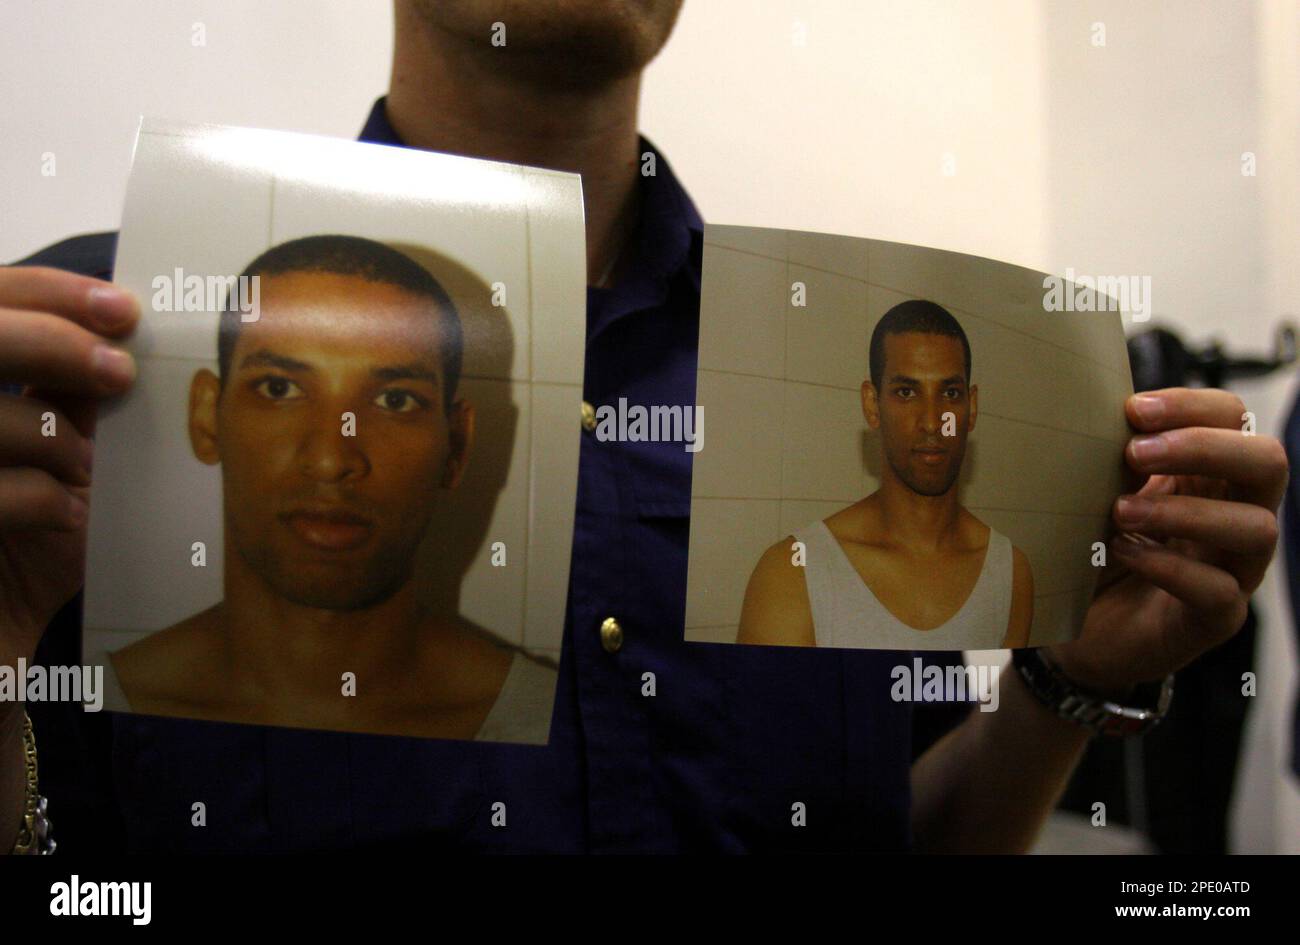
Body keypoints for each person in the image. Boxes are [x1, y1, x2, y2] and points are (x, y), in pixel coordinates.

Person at [1, 0, 1288, 854]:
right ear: (216, 414)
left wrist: (1071, 682)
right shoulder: (88, 375)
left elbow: (903, 837)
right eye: (284, 391)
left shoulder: (816, 373)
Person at [101, 235, 557, 743]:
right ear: (208, 417)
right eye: (279, 389)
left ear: (455, 447)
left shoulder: (549, 719)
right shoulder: (66, 707)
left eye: (396, 400)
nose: (331, 460)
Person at [738, 300, 1033, 650]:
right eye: (906, 393)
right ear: (872, 405)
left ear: (972, 409)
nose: (931, 421)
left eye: (950, 394)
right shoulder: (792, 574)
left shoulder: (1009, 573)